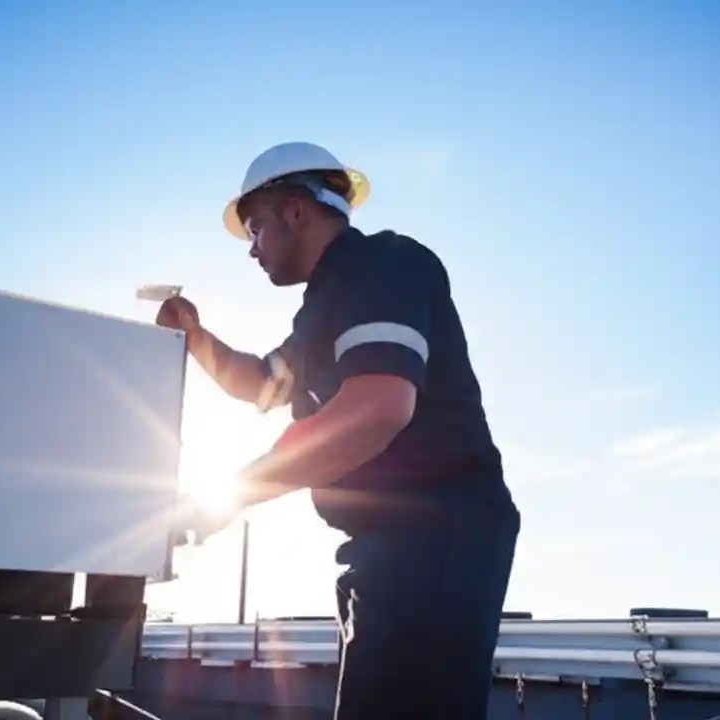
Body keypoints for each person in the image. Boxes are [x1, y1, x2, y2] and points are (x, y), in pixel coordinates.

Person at [160, 141, 520, 719]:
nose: (250, 250)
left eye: (254, 229)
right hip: (388, 548)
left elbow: (378, 407)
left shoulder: (383, 265)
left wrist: (232, 494)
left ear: (295, 211)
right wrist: (194, 337)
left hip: (436, 535)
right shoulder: (324, 309)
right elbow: (259, 382)